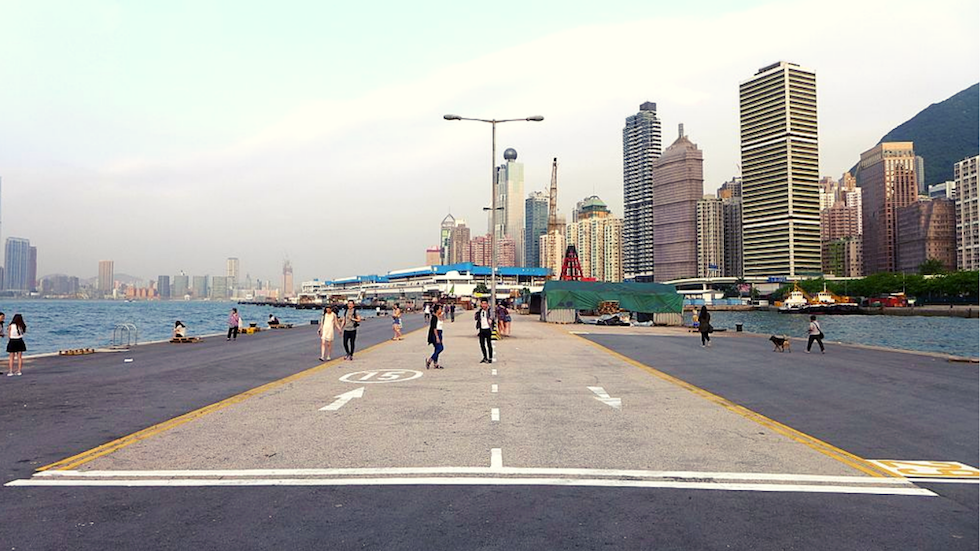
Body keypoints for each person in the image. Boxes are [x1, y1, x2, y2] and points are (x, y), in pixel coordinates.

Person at [475, 298, 494, 364]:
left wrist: (491, 320)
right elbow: (477, 318)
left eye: (485, 304)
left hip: (488, 329)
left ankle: (490, 357)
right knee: (482, 344)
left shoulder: (489, 311)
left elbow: (492, 316)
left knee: (489, 344)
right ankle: (485, 357)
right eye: (482, 304)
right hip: (482, 329)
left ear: (487, 304)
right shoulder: (480, 311)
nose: (483, 305)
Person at [426, 303, 445, 369]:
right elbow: (434, 328)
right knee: (440, 348)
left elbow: (442, 320)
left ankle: (436, 364)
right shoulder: (434, 317)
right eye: (440, 309)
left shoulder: (438, 316)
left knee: (436, 349)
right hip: (435, 333)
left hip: (440, 332)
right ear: (437, 310)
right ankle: (430, 360)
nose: (441, 310)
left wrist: (441, 314)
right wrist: (437, 337)